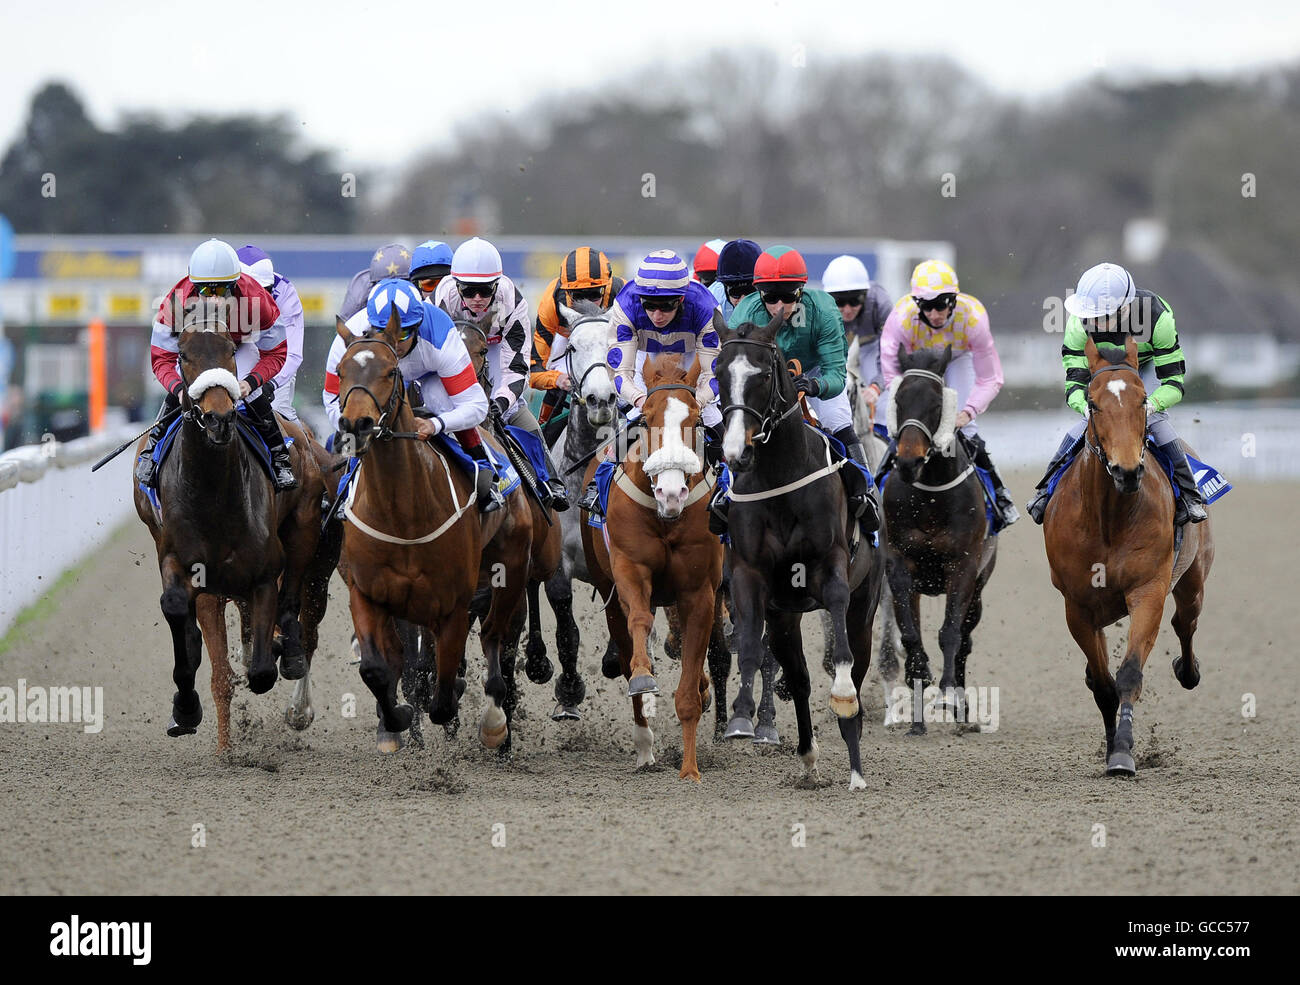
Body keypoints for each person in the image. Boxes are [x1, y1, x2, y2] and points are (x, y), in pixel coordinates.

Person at [710, 245, 879, 533]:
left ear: (801, 290)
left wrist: (815, 385)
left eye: (788, 296)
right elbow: (731, 370)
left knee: (838, 421)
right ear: (759, 293)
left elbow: (836, 373)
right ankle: (724, 491)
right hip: (763, 378)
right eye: (771, 297)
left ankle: (865, 491)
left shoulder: (824, 310)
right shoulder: (743, 314)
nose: (779, 306)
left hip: (813, 374)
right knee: (734, 421)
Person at [1026, 261, 1207, 526]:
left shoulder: (1158, 317)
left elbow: (1173, 382)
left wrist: (1150, 405)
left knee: (1156, 423)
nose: (1092, 323)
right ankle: (1045, 490)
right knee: (1085, 425)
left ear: (1124, 309)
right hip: (1101, 373)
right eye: (1090, 316)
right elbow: (1074, 384)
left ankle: (1190, 496)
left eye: (1100, 316)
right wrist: (1086, 408)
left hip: (1142, 370)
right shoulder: (1080, 323)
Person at [326, 277, 504, 513]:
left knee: (438, 396)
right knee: (354, 413)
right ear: (370, 327)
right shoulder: (350, 338)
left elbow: (477, 405)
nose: (392, 343)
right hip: (378, 377)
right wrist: (356, 431)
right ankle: (344, 486)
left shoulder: (441, 336)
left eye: (401, 335)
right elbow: (330, 399)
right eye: (383, 333)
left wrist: (435, 424)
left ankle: (482, 467)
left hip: (430, 375)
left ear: (418, 325)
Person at [136, 238, 296, 491]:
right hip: (197, 349)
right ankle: (151, 449)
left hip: (236, 346)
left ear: (235, 284)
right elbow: (161, 359)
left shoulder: (257, 298)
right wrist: (178, 389)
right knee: (182, 383)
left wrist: (250, 382)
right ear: (193, 286)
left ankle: (280, 457)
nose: (212, 299)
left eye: (220, 291)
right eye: (205, 291)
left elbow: (276, 352)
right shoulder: (176, 300)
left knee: (251, 390)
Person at [576, 249, 724, 513]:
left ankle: (729, 487)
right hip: (646, 357)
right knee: (630, 422)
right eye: (649, 305)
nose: (657, 314)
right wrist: (641, 400)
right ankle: (598, 489)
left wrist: (696, 402)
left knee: (713, 421)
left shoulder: (705, 308)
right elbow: (620, 373)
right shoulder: (627, 304)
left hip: (691, 363)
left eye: (666, 305)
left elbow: (713, 373)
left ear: (681, 298)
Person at [879, 259, 1020, 527]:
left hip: (957, 359)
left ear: (953, 300)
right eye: (927, 306)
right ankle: (878, 482)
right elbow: (891, 376)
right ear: (917, 304)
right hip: (917, 365)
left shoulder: (974, 317)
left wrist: (968, 412)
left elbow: (991, 378)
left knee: (966, 430)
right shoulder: (901, 318)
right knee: (902, 427)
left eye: (942, 304)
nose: (935, 314)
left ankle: (999, 494)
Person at [434, 237, 569, 511]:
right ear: (457, 286)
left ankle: (549, 480)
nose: (477, 300)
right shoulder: (443, 297)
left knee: (520, 416)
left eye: (485, 291)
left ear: (497, 285)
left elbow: (517, 366)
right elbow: (438, 357)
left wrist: (500, 403)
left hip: (496, 352)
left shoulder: (513, 301)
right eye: (469, 291)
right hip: (457, 353)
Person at [530, 246, 624, 432]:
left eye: (594, 294)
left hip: (609, 340)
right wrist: (557, 380)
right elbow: (534, 373)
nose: (586, 303)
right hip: (569, 339)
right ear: (567, 292)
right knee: (556, 387)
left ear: (606, 288)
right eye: (578, 296)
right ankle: (544, 435)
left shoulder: (623, 295)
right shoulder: (551, 302)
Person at [822, 254, 893, 430]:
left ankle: (881, 434)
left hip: (872, 346)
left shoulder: (881, 304)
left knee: (881, 401)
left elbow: (889, 355)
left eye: (855, 301)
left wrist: (876, 387)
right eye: (839, 302)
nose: (847, 310)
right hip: (838, 347)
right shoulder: (820, 309)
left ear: (865, 295)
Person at [237, 245, 303, 421]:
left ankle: (297, 447)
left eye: (266, 290)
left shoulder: (286, 295)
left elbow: (292, 353)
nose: (261, 297)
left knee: (280, 412)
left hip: (277, 360)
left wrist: (270, 384)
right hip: (240, 351)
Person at [338, 244, 411, 320]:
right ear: (373, 284)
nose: (392, 291)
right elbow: (345, 327)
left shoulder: (421, 288)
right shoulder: (359, 296)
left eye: (402, 283)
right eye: (384, 285)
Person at [708, 238, 762, 322]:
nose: (743, 301)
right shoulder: (711, 301)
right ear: (725, 288)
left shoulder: (775, 300)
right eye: (735, 292)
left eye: (750, 291)